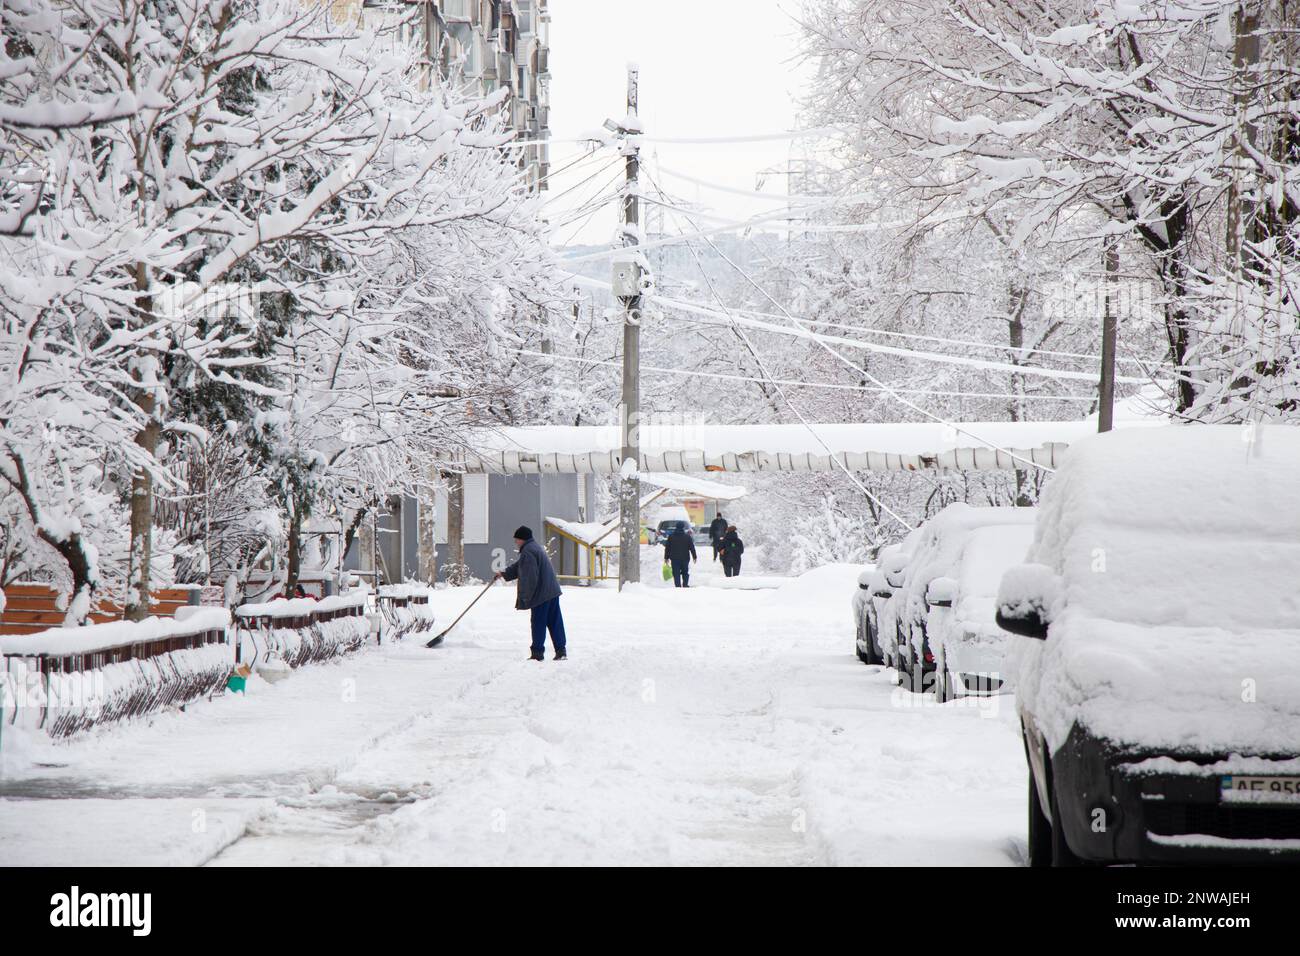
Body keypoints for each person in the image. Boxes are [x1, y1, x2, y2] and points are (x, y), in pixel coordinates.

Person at [494, 525, 566, 661]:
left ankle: (537, 653)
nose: (516, 542)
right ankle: (561, 651)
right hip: (552, 591)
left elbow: (529, 576)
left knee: (538, 622)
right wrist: (504, 573)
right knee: (554, 621)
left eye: (517, 540)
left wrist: (527, 598)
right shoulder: (533, 547)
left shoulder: (528, 551)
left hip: (541, 594)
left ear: (522, 539)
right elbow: (520, 566)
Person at [662, 520, 697, 588]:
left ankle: (677, 586)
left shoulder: (671, 537)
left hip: (675, 559)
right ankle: (685, 584)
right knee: (685, 572)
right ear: (683, 527)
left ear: (676, 527)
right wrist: (694, 557)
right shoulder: (687, 537)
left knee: (676, 573)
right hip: (685, 558)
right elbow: (692, 548)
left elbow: (667, 548)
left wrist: (666, 558)